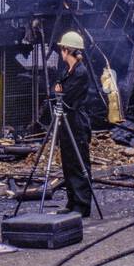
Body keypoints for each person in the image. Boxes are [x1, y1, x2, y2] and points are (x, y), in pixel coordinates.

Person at [53, 30, 95, 217]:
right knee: (68, 162)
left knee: (79, 162)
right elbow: (59, 90)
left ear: (66, 50)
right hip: (66, 119)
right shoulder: (68, 71)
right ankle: (72, 201)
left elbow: (65, 95)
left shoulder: (80, 72)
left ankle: (82, 204)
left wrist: (59, 92)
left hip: (76, 121)